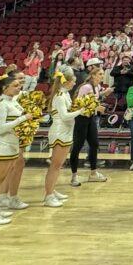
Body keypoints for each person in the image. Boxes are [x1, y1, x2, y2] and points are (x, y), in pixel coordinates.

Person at [0, 75, 31, 225]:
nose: (19, 87)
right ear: (5, 88)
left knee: (0, 180)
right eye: (16, 85)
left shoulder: (12, 102)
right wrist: (23, 120)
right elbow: (0, 128)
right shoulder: (0, 104)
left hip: (10, 144)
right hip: (0, 145)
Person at [43, 67, 84, 208]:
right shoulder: (60, 96)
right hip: (59, 132)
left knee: (58, 165)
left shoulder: (65, 94)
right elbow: (65, 116)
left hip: (66, 131)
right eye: (73, 81)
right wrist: (81, 111)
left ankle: (52, 190)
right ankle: (48, 196)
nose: (74, 84)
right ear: (66, 82)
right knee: (55, 166)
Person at [69, 67, 110, 186]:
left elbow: (93, 100)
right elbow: (79, 103)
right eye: (100, 74)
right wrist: (97, 108)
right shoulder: (86, 87)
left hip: (90, 117)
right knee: (77, 146)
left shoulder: (97, 87)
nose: (102, 76)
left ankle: (93, 173)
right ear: (93, 75)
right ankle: (74, 176)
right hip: (81, 118)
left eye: (102, 74)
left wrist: (103, 94)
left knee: (94, 144)